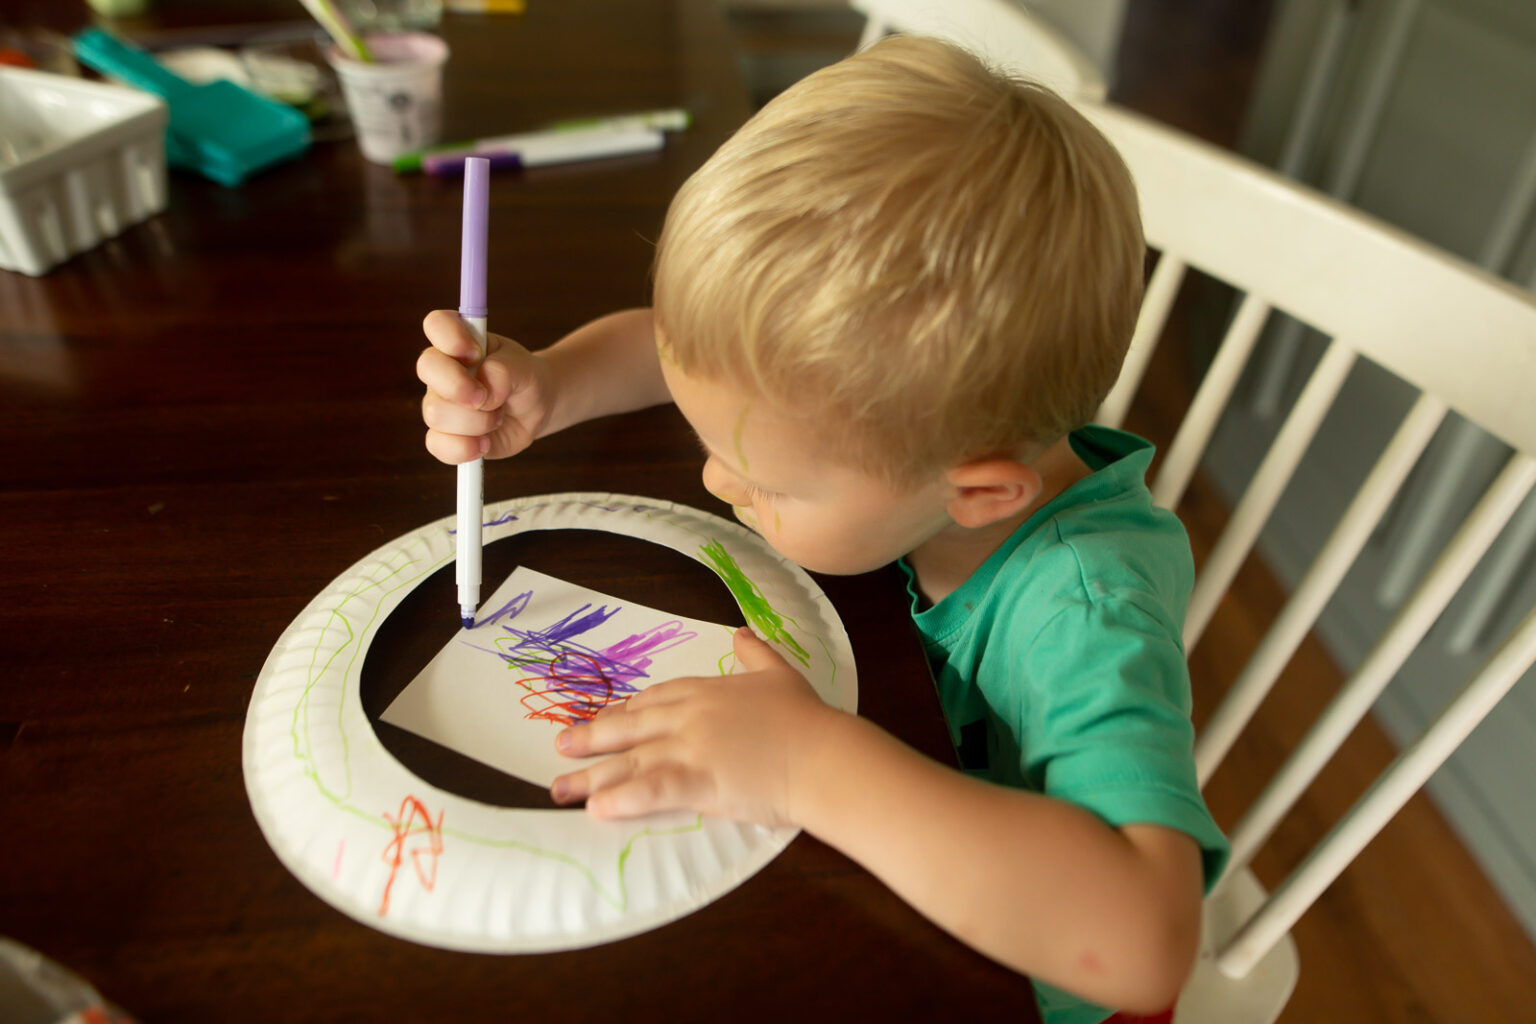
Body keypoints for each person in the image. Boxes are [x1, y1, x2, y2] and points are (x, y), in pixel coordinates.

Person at [415, 35, 1227, 1024]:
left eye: (763, 480)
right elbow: (688, 359)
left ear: (980, 495)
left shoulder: (1083, 609)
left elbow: (1146, 949)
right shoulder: (920, 449)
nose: (715, 475)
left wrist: (810, 765)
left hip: (1019, 967)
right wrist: (548, 384)